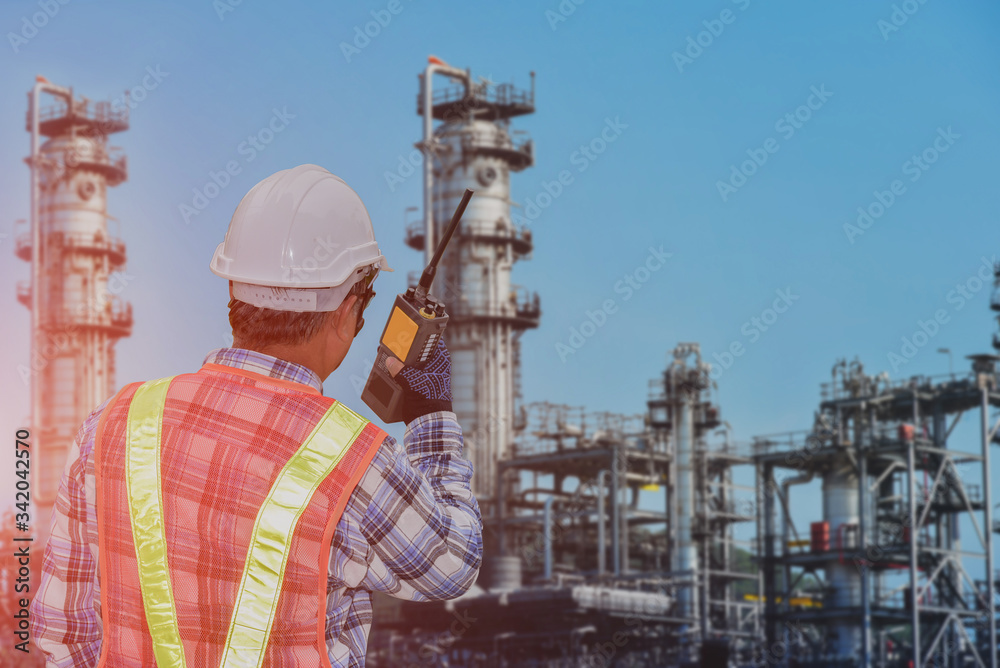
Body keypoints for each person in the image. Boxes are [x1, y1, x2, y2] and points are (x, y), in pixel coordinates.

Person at [30, 164, 483, 667]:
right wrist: (431, 415)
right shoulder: (356, 462)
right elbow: (453, 563)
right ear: (345, 310)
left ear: (232, 292)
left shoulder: (112, 425)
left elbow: (64, 636)